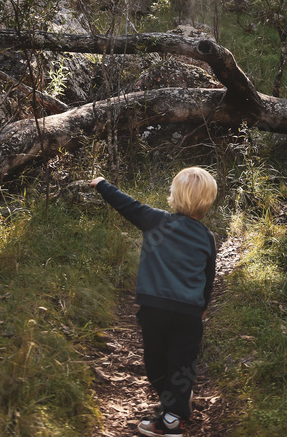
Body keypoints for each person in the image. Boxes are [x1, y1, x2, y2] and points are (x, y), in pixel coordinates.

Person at [90, 167, 217, 437]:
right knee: (181, 363)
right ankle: (175, 405)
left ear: (174, 196)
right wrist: (203, 307)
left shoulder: (155, 220)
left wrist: (102, 184)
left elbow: (127, 205)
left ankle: (172, 417)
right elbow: (209, 277)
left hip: (155, 311)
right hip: (189, 315)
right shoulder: (206, 237)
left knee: (156, 361)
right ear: (209, 201)